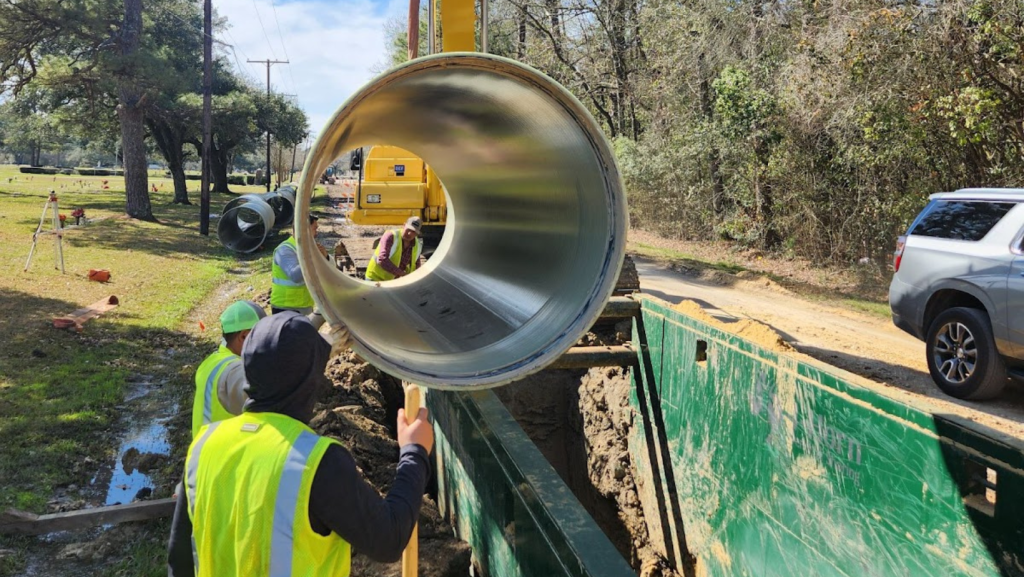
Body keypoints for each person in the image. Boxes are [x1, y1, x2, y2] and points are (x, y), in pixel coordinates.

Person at [167, 312, 433, 576]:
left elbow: (179, 559)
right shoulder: (315, 461)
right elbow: (388, 540)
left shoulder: (204, 445)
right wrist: (414, 452)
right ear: (311, 378)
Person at [191, 300, 266, 438]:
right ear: (244, 336)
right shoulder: (237, 370)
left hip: (203, 451)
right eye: (263, 336)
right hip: (224, 454)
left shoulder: (211, 362)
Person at [270, 214, 329, 316]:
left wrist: (325, 257)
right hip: (286, 308)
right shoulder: (285, 250)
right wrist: (313, 256)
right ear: (303, 230)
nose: (316, 233)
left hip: (303, 306)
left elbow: (329, 270)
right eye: (314, 229)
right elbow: (295, 276)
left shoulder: (307, 248)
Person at [365, 216, 423, 282]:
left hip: (394, 283)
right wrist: (402, 274)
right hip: (375, 278)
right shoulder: (391, 236)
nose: (409, 233)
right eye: (408, 229)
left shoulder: (417, 245)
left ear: (417, 233)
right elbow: (382, 259)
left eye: (413, 231)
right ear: (404, 225)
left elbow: (417, 266)